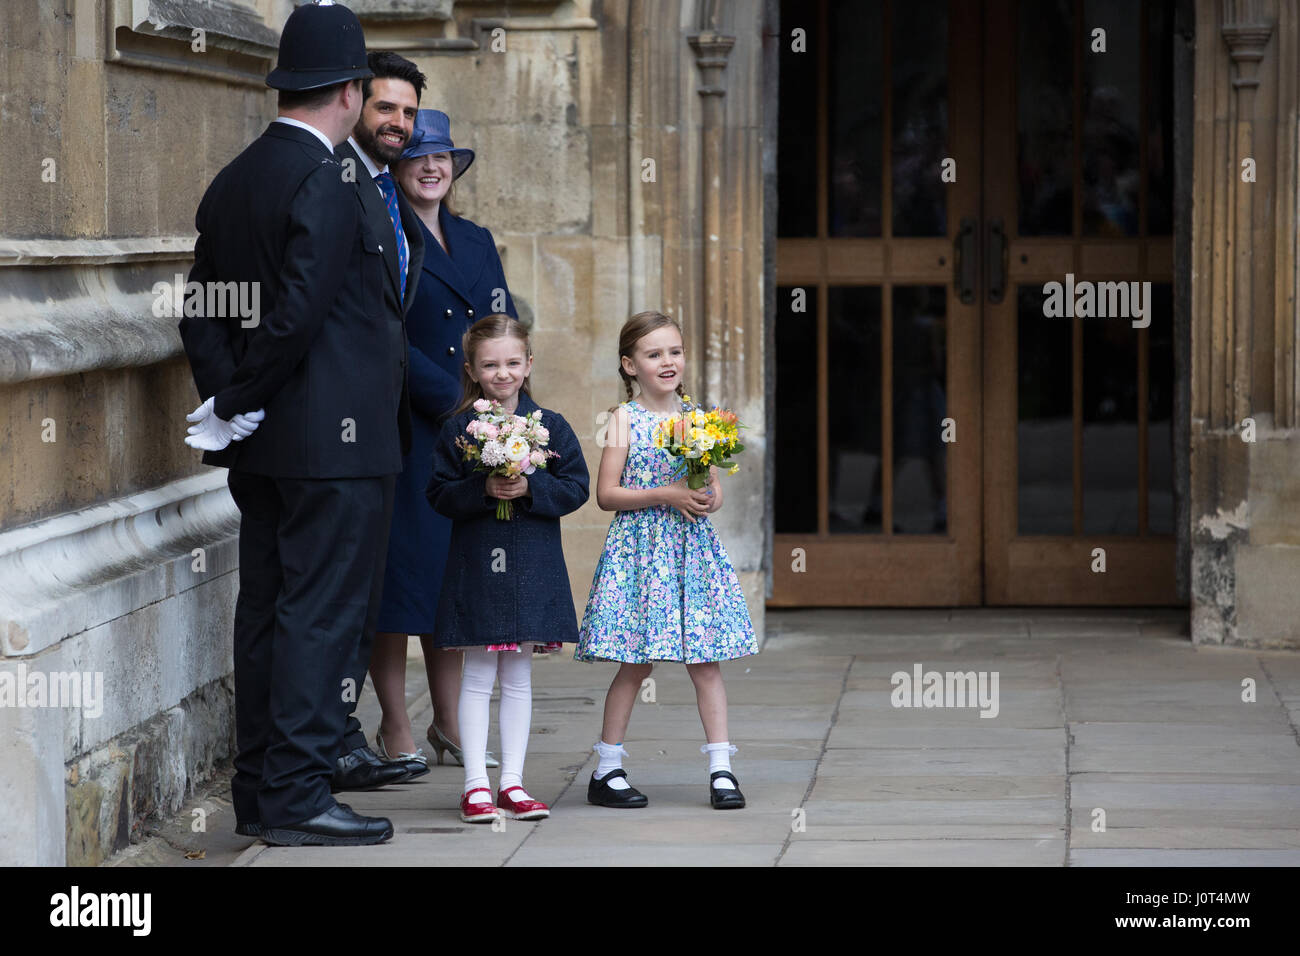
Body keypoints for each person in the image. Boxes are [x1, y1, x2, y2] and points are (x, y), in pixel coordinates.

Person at [178, 2, 410, 846]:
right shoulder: (333, 178)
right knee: (320, 616)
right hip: (332, 448)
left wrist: (227, 402)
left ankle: (262, 792)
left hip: (268, 443)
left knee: (269, 610)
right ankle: (301, 795)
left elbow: (201, 308)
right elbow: (302, 314)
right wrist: (240, 400)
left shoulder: (237, 174)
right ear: (349, 91)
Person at [368, 109, 516, 771]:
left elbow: (502, 330)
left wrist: (513, 414)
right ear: (397, 166)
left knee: (448, 582)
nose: (432, 167)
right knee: (400, 582)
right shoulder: (382, 234)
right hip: (408, 426)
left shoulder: (476, 239)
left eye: (443, 157)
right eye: (418, 156)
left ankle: (451, 721)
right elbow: (383, 337)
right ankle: (396, 723)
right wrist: (456, 400)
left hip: (474, 430)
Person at [576, 311, 758, 810]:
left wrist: (705, 498)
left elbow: (712, 491)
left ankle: (722, 768)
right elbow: (607, 494)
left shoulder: (699, 418)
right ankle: (607, 770)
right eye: (654, 354)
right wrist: (667, 493)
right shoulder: (624, 419)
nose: (668, 361)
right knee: (635, 664)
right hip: (639, 553)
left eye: (674, 351)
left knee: (705, 662)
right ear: (629, 365)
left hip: (690, 553)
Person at [425, 316, 589, 822]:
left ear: (528, 365)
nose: (502, 373)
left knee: (518, 677)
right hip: (478, 568)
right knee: (476, 675)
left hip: (532, 568)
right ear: (471, 369)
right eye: (490, 364)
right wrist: (483, 490)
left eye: (512, 363)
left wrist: (531, 489)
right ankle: (475, 784)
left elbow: (577, 485)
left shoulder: (551, 425)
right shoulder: (458, 429)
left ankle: (512, 784)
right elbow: (437, 493)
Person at [330, 51, 433, 782]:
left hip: (379, 434)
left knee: (357, 599)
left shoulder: (390, 197)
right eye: (385, 108)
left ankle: (338, 740)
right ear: (353, 102)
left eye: (408, 112)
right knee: (328, 601)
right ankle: (322, 752)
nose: (398, 123)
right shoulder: (334, 184)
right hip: (331, 432)